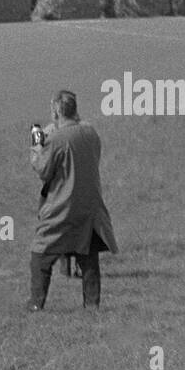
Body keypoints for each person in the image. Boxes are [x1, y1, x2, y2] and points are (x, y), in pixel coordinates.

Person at [28, 91, 117, 312]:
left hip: (62, 205)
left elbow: (43, 170)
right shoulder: (90, 132)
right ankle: (92, 305)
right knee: (88, 255)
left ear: (57, 111)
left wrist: (37, 146)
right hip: (89, 205)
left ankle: (36, 303)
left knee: (41, 253)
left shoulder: (56, 140)